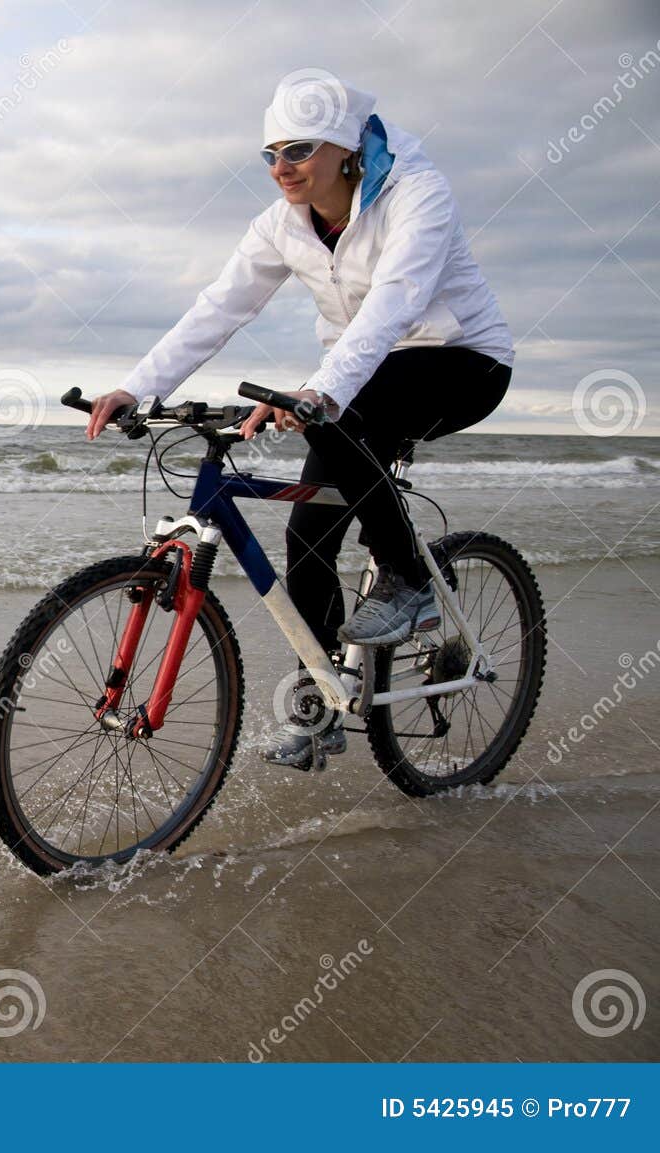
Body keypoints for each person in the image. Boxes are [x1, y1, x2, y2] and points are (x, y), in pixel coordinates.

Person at [85, 73, 513, 767]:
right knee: (308, 535)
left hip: (461, 359)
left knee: (339, 413)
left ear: (346, 150)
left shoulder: (418, 194)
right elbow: (219, 306)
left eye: (299, 151)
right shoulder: (283, 224)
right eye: (271, 154)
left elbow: (395, 304)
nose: (281, 168)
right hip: (361, 374)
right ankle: (321, 705)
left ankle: (408, 580)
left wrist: (318, 392)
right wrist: (138, 387)